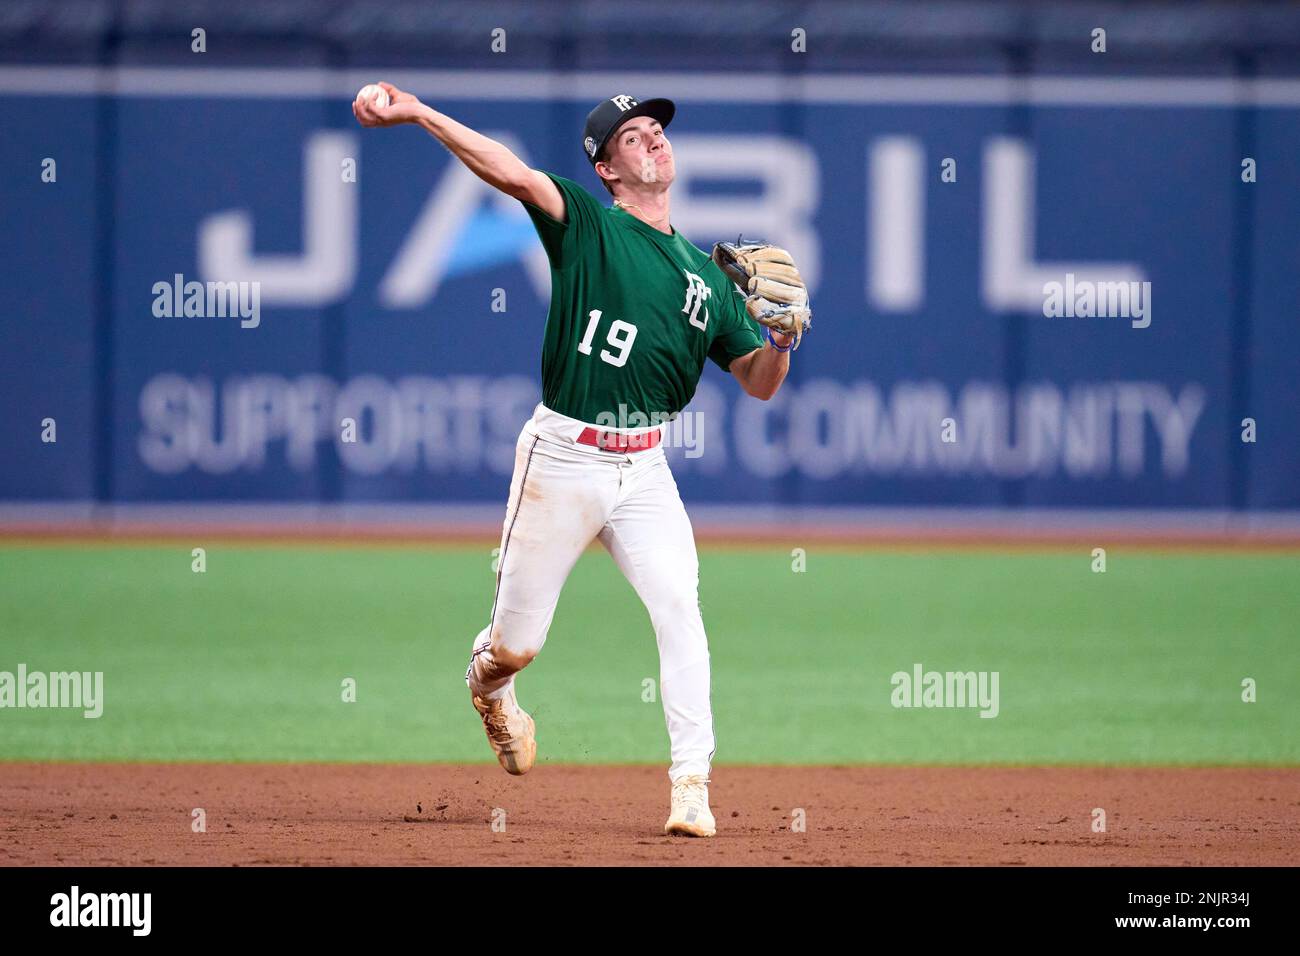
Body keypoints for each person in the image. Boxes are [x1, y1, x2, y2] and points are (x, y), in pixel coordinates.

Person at [354, 85, 805, 837]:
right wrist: (421, 113)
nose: (654, 139)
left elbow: (758, 384)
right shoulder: (587, 226)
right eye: (632, 136)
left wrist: (785, 341)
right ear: (606, 168)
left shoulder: (707, 277)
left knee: (680, 611)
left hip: (646, 468)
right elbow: (510, 173)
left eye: (656, 129)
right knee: (514, 645)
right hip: (563, 456)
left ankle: (691, 787)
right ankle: (489, 687)